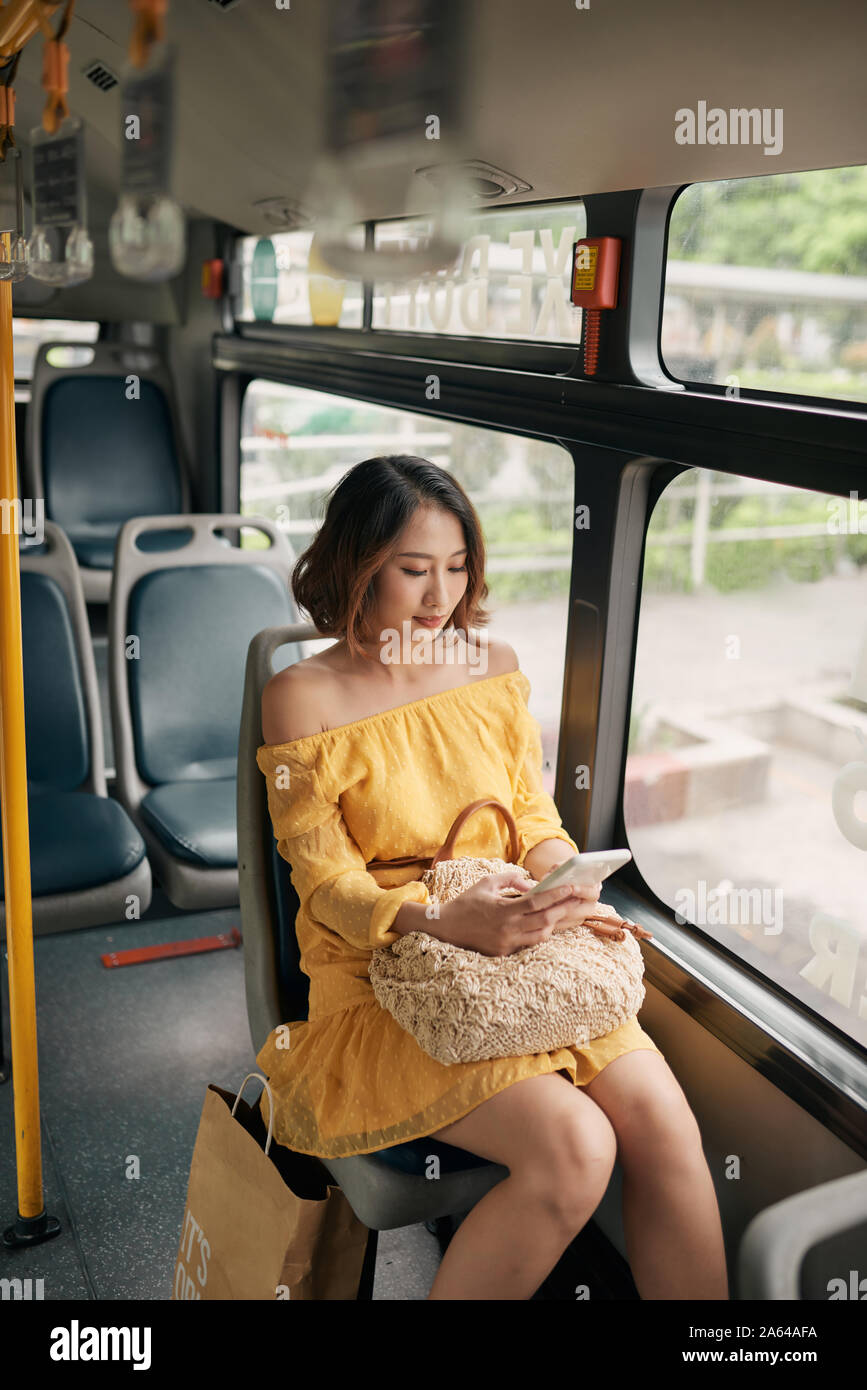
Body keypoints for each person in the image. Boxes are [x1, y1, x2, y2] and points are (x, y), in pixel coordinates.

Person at [256, 454, 728, 1301]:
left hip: (517, 946)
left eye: (457, 566)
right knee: (577, 1147)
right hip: (386, 970)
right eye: (411, 571)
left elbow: (531, 818)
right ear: (354, 567)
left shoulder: (492, 663)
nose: (439, 597)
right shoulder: (303, 694)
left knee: (663, 1124)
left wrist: (563, 885)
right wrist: (440, 923)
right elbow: (325, 886)